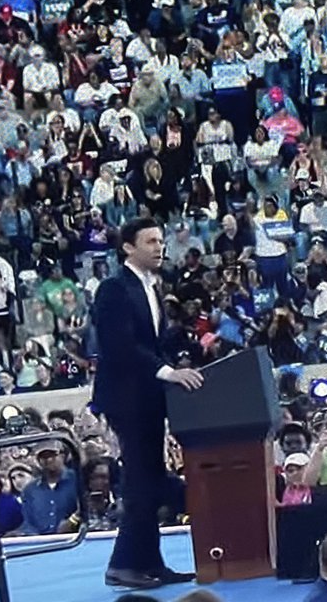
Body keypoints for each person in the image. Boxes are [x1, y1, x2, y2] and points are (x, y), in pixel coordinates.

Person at [91, 218, 202, 589]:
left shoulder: (154, 286)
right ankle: (122, 565)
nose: (159, 247)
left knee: (152, 480)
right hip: (126, 398)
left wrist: (189, 351)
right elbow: (120, 346)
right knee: (140, 482)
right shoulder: (114, 289)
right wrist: (167, 372)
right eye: (151, 241)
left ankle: (150, 562)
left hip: (149, 399)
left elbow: (155, 341)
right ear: (128, 247)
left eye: (161, 240)